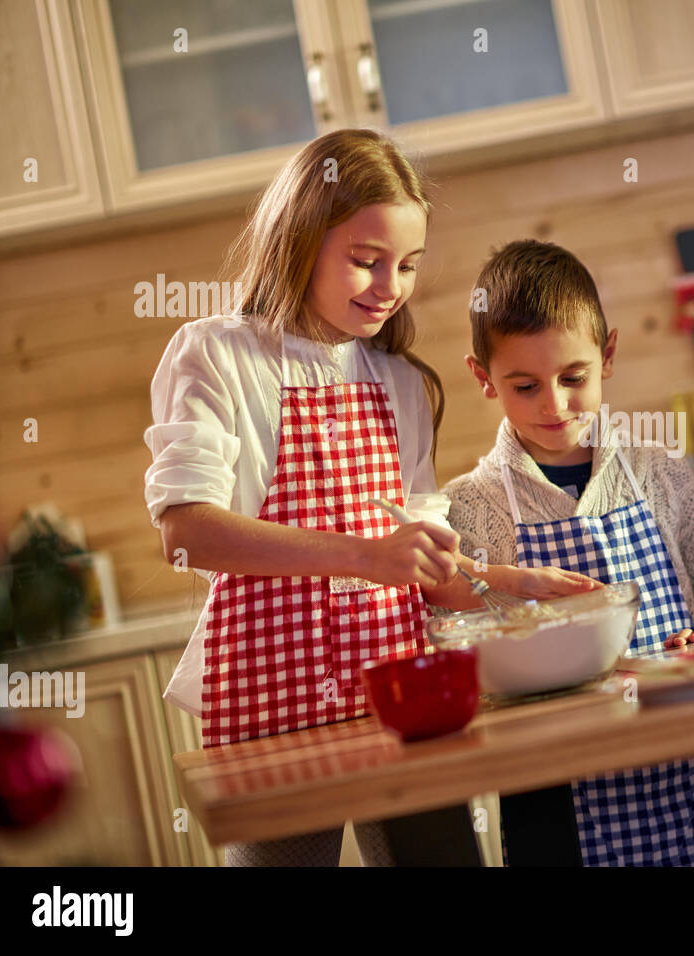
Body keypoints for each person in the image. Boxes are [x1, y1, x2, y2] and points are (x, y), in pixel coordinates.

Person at [144, 130, 595, 867]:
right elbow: (187, 534)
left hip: (403, 692)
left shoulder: (402, 381)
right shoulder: (218, 354)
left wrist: (504, 587)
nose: (390, 286)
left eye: (408, 265)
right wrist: (367, 554)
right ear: (299, 242)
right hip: (273, 701)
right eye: (366, 260)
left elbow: (419, 566)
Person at [444, 239, 694, 866]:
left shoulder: (663, 477)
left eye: (574, 378)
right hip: (558, 796)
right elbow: (471, 666)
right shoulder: (471, 509)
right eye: (524, 385)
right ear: (483, 378)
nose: (555, 405)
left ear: (609, 355)